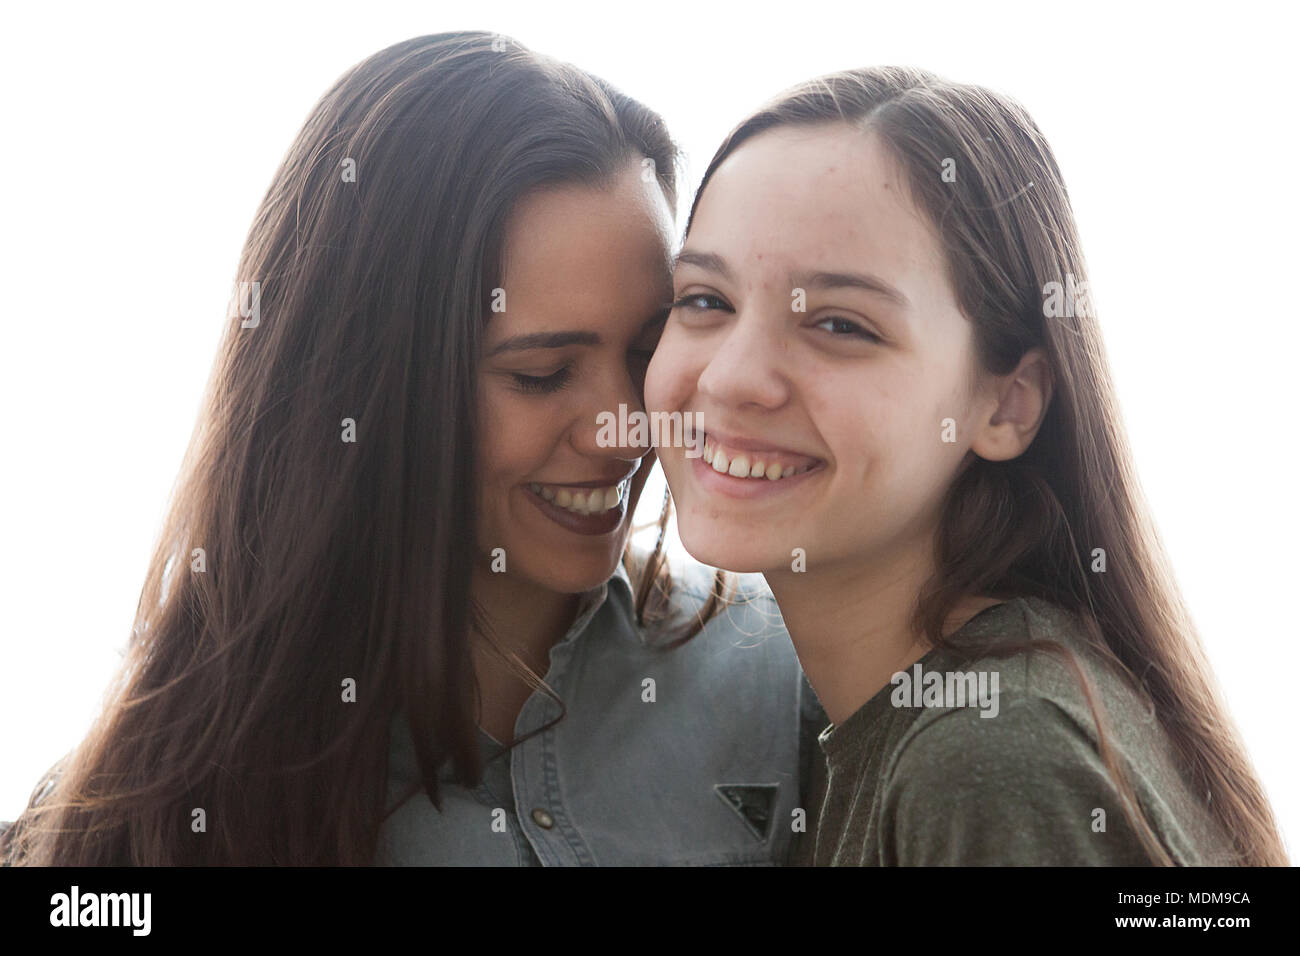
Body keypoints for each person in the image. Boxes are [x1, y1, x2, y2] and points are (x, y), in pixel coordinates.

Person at [0, 32, 823, 867]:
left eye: (648, 353)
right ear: (367, 386)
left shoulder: (790, 680)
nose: (624, 425)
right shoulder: (140, 815)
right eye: (541, 374)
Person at [645, 65, 1287, 865]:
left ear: (1007, 405)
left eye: (842, 325)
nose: (733, 377)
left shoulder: (991, 756)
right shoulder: (861, 722)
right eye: (705, 299)